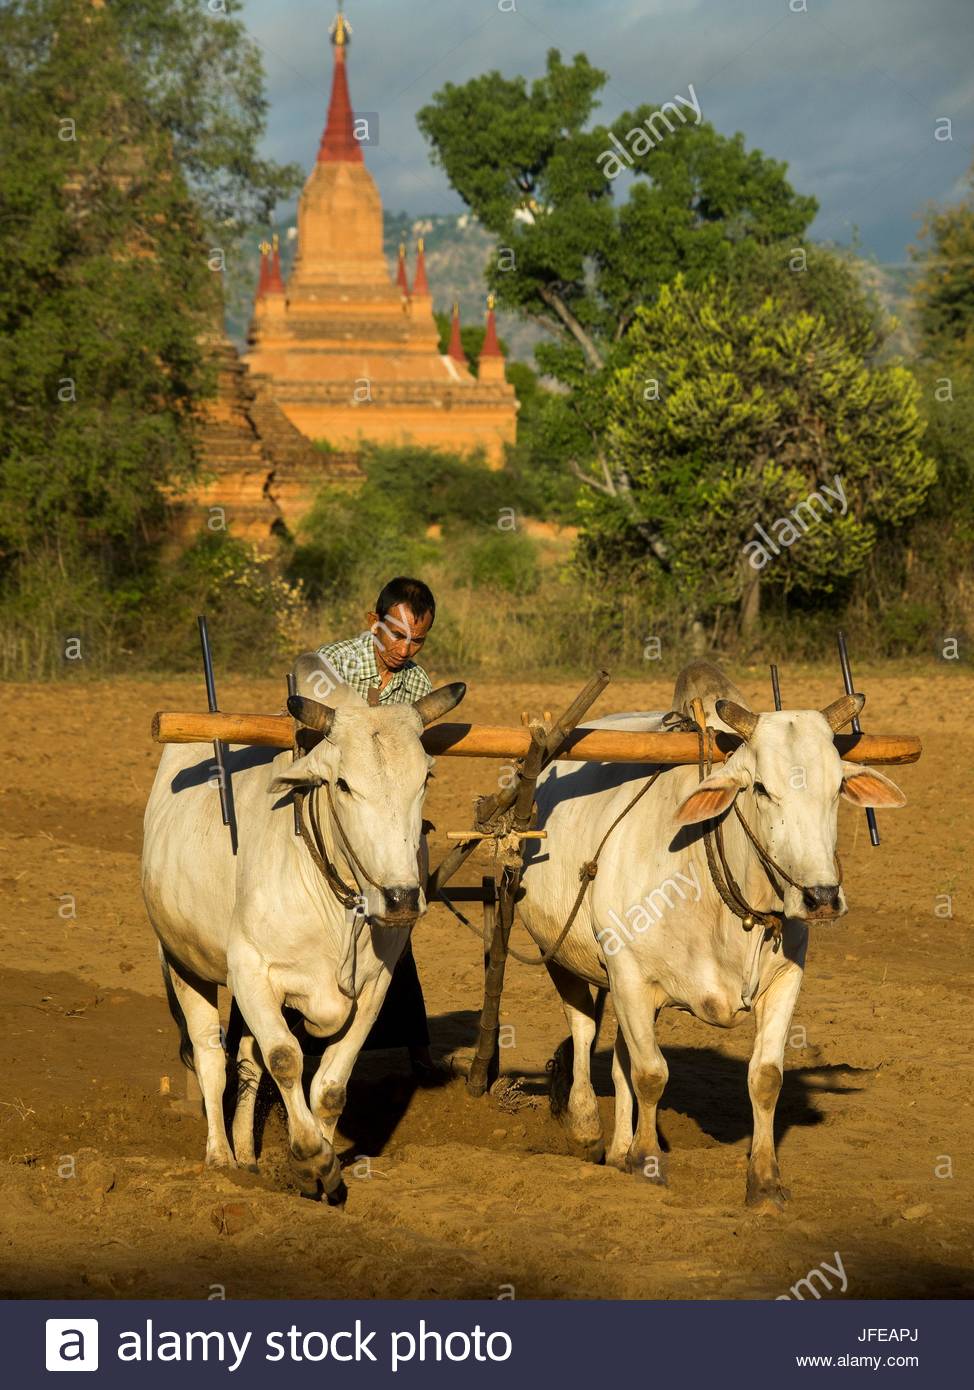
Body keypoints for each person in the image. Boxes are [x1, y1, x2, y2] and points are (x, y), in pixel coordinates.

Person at [314, 577, 441, 1080]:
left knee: (397, 915)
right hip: (328, 809)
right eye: (395, 635)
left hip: (384, 820)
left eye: (417, 641)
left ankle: (413, 1043)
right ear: (374, 622)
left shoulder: (419, 686)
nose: (404, 649)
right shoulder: (331, 665)